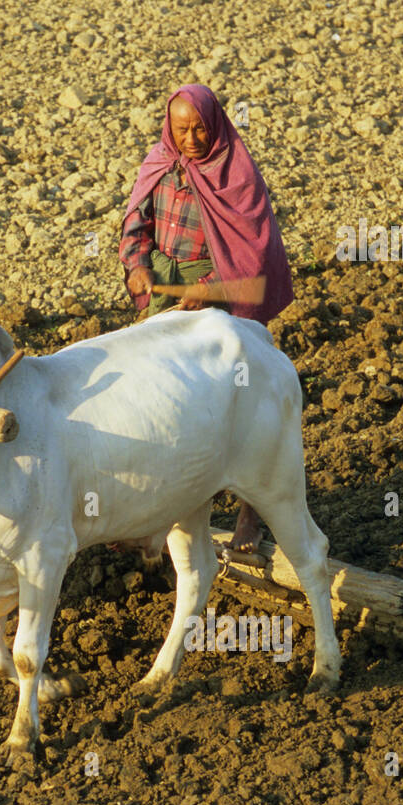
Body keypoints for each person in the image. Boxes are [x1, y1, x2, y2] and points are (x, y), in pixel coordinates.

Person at [118, 84, 294, 552]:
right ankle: (155, 509)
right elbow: (136, 228)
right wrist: (137, 266)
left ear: (214, 124)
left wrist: (210, 287)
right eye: (182, 129)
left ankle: (250, 515)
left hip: (220, 293)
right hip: (165, 294)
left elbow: (252, 255)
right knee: (154, 400)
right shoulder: (159, 165)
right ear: (168, 129)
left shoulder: (235, 172)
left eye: (199, 128)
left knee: (244, 402)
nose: (192, 138)